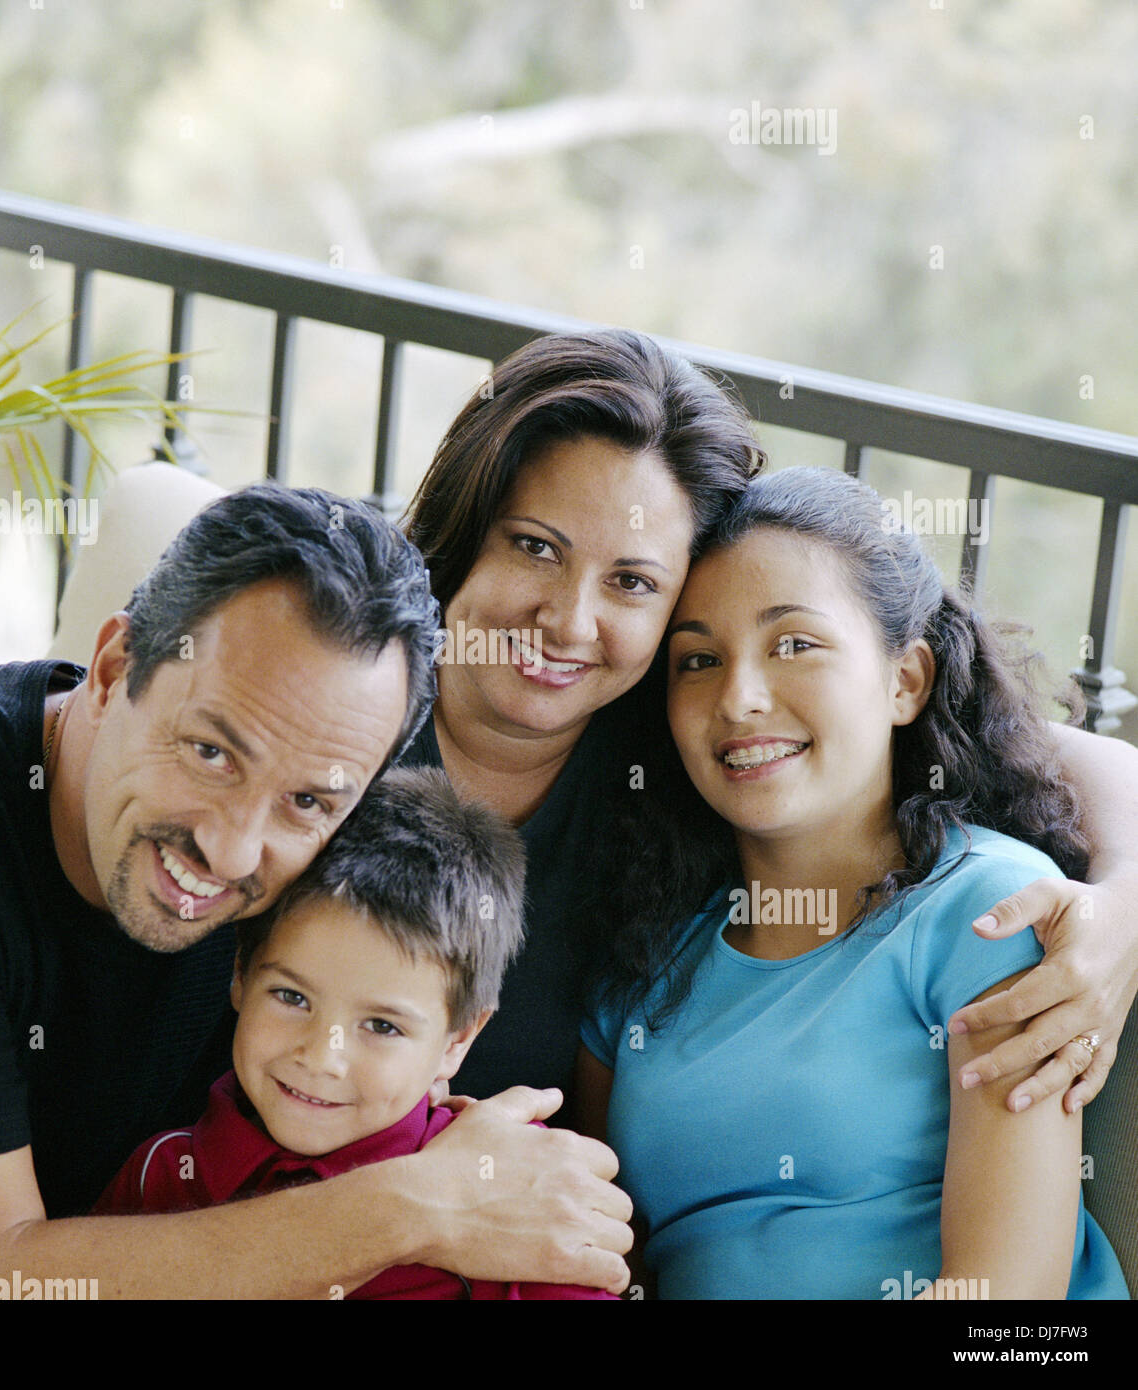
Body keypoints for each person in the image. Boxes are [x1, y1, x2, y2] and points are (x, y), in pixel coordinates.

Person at [0, 482, 632, 1299]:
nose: (230, 847)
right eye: (212, 753)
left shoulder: (313, 876)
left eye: (309, 800)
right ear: (114, 669)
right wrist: (419, 1206)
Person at [399, 329, 1138, 1123]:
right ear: (467, 526)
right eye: (536, 547)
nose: (571, 622)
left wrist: (1125, 897)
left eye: (633, 581)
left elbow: (1048, 749)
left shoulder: (666, 729)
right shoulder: (345, 700)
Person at [576, 466, 1130, 1299]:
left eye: (794, 643)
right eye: (698, 659)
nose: (739, 698)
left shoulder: (988, 911)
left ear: (905, 681)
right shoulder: (644, 963)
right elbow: (590, 1256)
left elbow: (1007, 1298)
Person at [96, 766, 616, 1300]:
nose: (323, 1057)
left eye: (382, 1026)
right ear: (240, 974)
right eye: (292, 997)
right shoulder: (160, 1177)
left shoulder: (516, 1190)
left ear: (457, 1040)